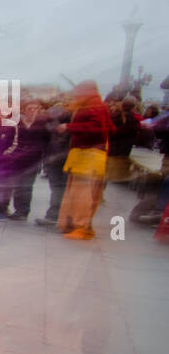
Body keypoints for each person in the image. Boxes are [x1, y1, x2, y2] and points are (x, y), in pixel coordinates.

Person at [57, 81, 114, 240]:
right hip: (86, 155)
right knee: (80, 192)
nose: (75, 95)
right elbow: (111, 128)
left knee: (82, 194)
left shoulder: (94, 107)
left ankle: (81, 226)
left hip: (88, 156)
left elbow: (98, 128)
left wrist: (69, 127)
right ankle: (75, 224)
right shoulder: (95, 105)